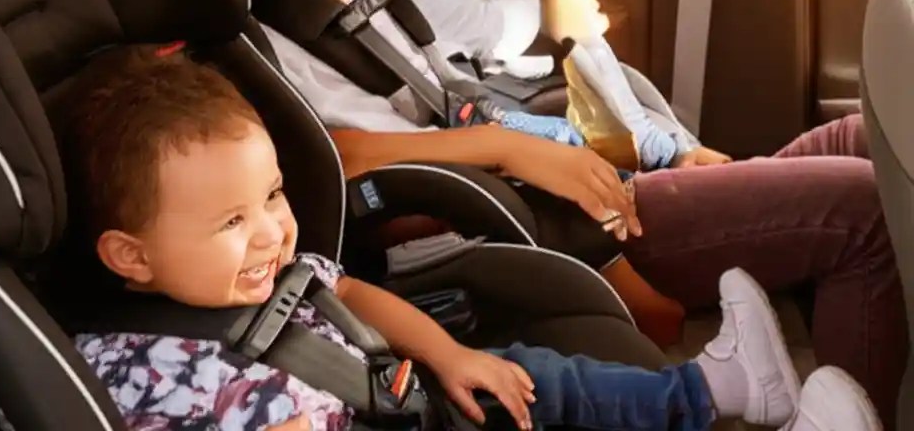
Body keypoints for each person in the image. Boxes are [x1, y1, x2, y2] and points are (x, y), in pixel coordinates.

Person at [215, 0, 906, 426]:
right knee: (867, 211)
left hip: (546, 171)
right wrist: (507, 148)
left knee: (856, 137)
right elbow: (342, 158)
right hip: (508, 217)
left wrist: (562, 4)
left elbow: (489, 26)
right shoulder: (265, 37)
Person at [62, 46, 879, 431]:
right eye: (233, 221)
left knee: (534, 378)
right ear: (129, 255)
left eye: (273, 196)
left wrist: (448, 358)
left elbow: (349, 292)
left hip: (403, 396)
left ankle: (715, 391)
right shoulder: (121, 366)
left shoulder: (273, 272)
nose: (272, 229)